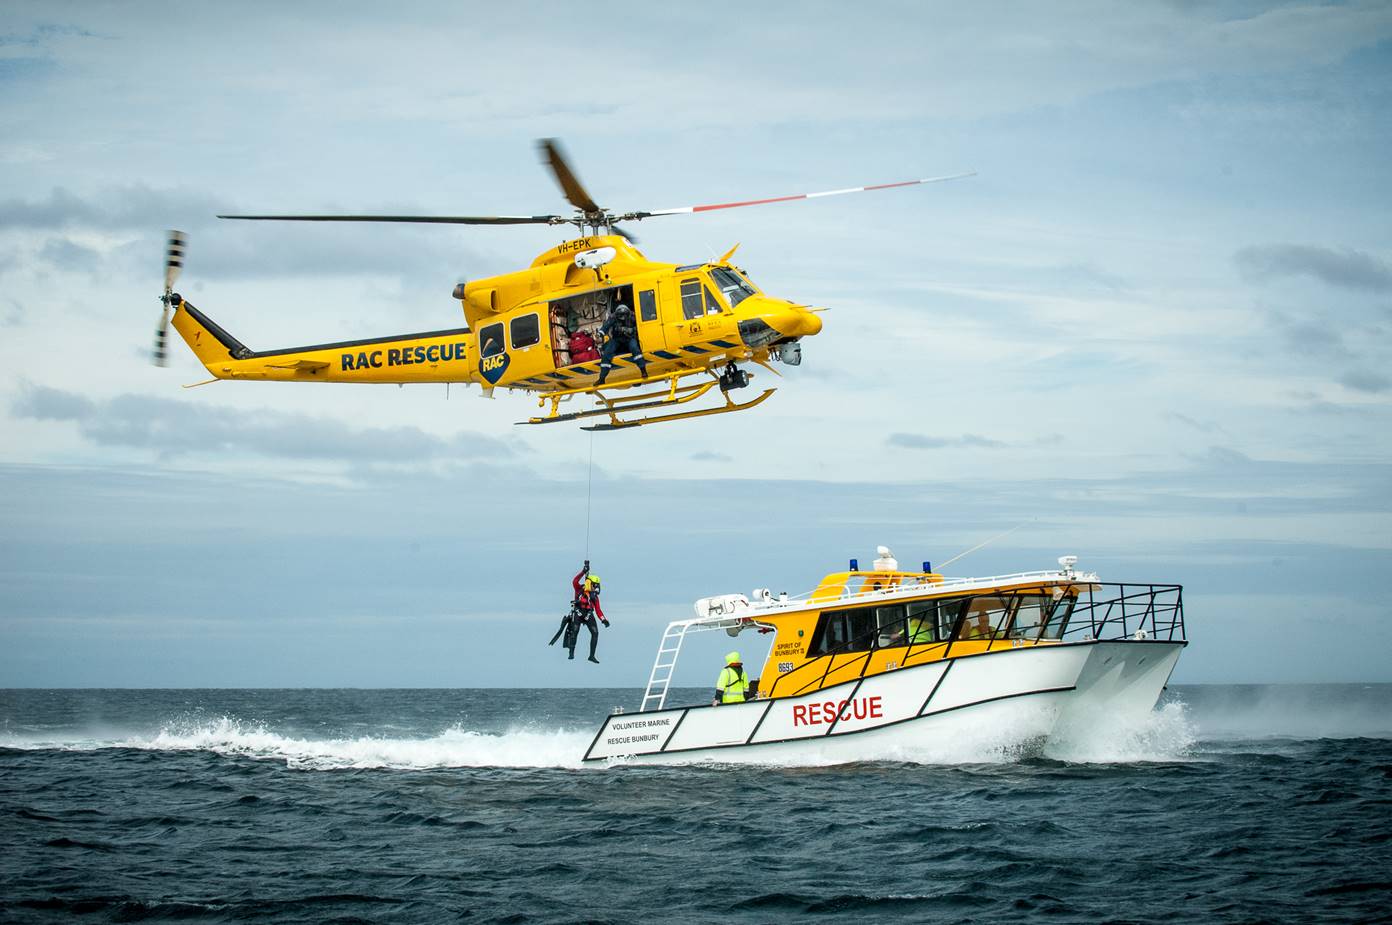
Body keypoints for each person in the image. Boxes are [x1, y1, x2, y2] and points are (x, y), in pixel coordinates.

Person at [549, 560, 609, 662]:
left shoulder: (595, 597)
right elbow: (575, 581)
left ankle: (591, 656)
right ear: (590, 583)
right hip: (578, 612)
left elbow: (598, 610)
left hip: (588, 614)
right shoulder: (579, 589)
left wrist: (604, 620)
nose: (597, 587)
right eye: (595, 585)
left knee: (595, 633)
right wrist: (583, 571)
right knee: (574, 631)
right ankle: (571, 652)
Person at [596, 302, 646, 384]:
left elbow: (641, 326)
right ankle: (602, 378)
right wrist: (599, 334)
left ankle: (643, 371)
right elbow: (605, 326)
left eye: (624, 316)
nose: (622, 318)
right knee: (607, 353)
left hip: (629, 338)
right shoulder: (613, 317)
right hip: (617, 339)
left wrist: (630, 330)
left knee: (635, 349)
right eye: (620, 316)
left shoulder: (633, 316)